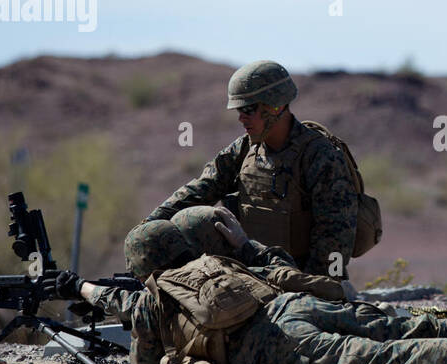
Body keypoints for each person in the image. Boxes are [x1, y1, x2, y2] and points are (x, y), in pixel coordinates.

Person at [51, 208, 447, 364]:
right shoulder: (215, 259)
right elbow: (275, 271)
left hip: (273, 341)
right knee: (398, 325)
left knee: (383, 360)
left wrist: (82, 289)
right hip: (294, 304)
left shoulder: (152, 297)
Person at [142, 60, 359, 279]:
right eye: (239, 110)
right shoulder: (244, 149)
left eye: (248, 109)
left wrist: (313, 287)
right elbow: (200, 190)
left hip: (300, 278)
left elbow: (336, 235)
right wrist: (149, 227)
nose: (241, 118)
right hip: (252, 272)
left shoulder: (320, 156)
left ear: (275, 106)